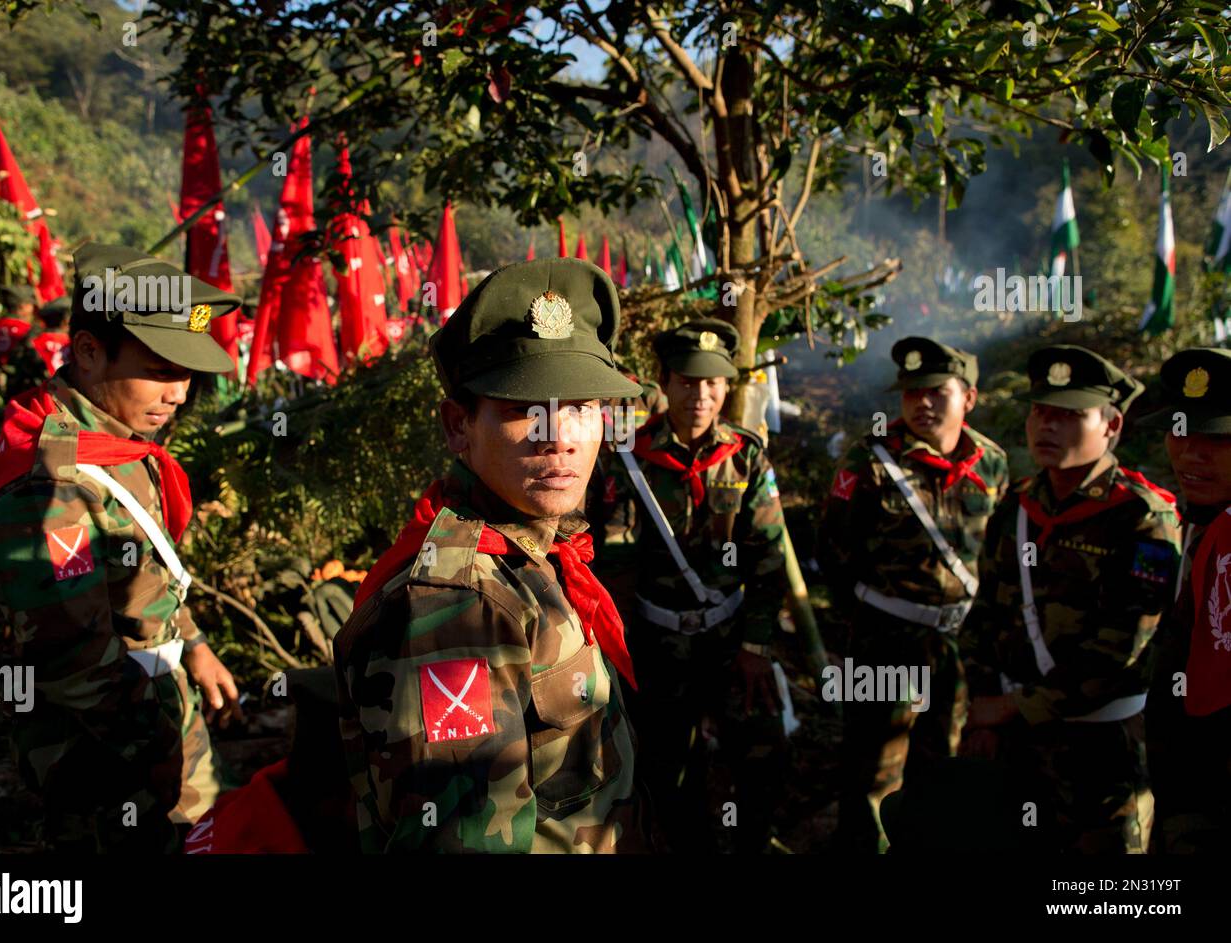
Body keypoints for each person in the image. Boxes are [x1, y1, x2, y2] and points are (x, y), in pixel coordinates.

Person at [333, 258, 648, 853]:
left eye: (580, 406)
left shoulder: (535, 550)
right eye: (525, 408)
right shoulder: (458, 603)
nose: (560, 434)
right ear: (458, 427)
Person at [0, 244, 244, 853]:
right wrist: (171, 740)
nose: (179, 393)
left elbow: (147, 571)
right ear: (90, 352)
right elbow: (73, 662)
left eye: (187, 374)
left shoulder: (117, 443)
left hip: (157, 719)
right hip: (106, 758)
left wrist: (193, 647)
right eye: (163, 370)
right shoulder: (51, 489)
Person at [962, 345, 1179, 853]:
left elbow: (1125, 645)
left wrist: (1013, 707)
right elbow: (985, 613)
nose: (1048, 427)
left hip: (1100, 746)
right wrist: (982, 704)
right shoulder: (1017, 504)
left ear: (1111, 425)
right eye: (1041, 412)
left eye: (1070, 416)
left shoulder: (1143, 519)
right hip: (1017, 741)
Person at [597, 317, 789, 852]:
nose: (700, 396)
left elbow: (767, 556)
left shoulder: (745, 456)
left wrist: (755, 645)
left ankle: (753, 842)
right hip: (658, 647)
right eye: (686, 381)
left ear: (727, 386)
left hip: (730, 641)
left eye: (711, 383)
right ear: (666, 381)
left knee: (762, 754)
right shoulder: (629, 458)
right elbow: (613, 562)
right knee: (667, 770)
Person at [819, 336, 1008, 853]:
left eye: (936, 392)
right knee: (874, 771)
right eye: (910, 393)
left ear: (968, 398)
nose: (922, 403)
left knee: (948, 765)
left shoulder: (991, 463)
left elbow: (997, 560)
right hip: (886, 638)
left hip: (960, 644)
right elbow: (834, 551)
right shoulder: (871, 460)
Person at [1141, 348, 1231, 853]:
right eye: (1180, 432)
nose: (1191, 453)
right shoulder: (1195, 521)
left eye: (1217, 439)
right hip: (1182, 800)